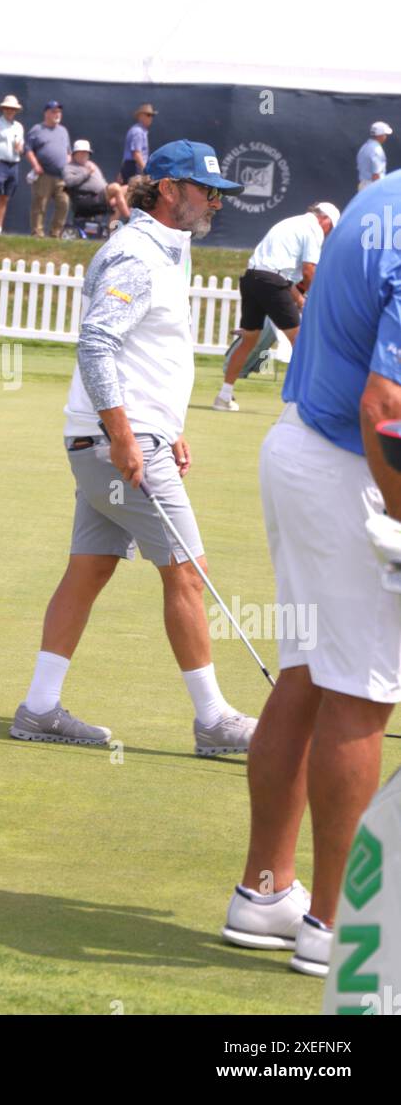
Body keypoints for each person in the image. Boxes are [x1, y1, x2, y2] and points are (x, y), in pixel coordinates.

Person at [10, 140, 257, 754]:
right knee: (188, 573)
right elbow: (97, 344)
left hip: (122, 437)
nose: (215, 202)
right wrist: (126, 434)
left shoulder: (167, 252)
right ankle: (214, 722)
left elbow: (150, 352)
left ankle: (39, 708)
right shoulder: (137, 254)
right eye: (205, 190)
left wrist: (167, 429)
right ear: (168, 188)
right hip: (116, 442)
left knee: (89, 570)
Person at [221, 176, 401, 977]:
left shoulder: (381, 195)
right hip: (352, 468)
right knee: (361, 687)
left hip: (299, 450)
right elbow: (385, 405)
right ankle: (338, 925)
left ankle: (265, 894)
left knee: (309, 675)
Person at [213, 203, 340, 411]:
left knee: (249, 339)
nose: (328, 233)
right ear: (324, 219)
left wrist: (300, 300)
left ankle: (223, 396)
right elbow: (308, 272)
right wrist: (318, 301)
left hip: (252, 279)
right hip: (271, 283)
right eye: (331, 227)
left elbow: (280, 274)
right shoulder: (313, 230)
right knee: (301, 342)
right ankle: (301, 401)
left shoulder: (289, 222)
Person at [25, 101, 72, 238]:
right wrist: (35, 165)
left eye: (59, 112)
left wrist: (68, 164)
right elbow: (28, 149)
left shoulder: (63, 131)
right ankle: (37, 233)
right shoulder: (37, 129)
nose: (57, 114)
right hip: (43, 174)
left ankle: (56, 233)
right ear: (46, 113)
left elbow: (68, 152)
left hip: (62, 176)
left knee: (63, 203)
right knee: (40, 203)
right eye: (53, 111)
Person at [0, 95, 24, 234]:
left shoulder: (19, 127)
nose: (10, 111)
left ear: (15, 111)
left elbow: (21, 148)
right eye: (7, 108)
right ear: (3, 109)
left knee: (5, 198)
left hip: (13, 164)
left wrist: (20, 148)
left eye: (12, 109)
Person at [61, 139, 114, 228]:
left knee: (124, 191)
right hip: (85, 200)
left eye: (86, 153)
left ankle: (112, 231)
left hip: (101, 196)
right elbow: (69, 182)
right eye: (81, 153)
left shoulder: (91, 164)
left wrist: (107, 191)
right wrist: (86, 173)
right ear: (75, 154)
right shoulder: (69, 167)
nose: (84, 155)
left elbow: (102, 181)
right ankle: (129, 218)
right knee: (116, 188)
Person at [119, 103, 157, 183]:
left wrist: (121, 171)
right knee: (134, 192)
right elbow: (136, 154)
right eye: (148, 115)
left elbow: (128, 153)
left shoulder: (139, 130)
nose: (151, 118)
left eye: (152, 115)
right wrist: (145, 171)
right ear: (140, 116)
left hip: (131, 167)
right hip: (134, 168)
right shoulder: (138, 132)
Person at [356, 121, 392, 192]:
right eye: (385, 134)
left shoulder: (364, 147)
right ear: (380, 135)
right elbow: (376, 175)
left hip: (363, 186)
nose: (385, 136)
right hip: (373, 187)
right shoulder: (377, 150)